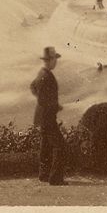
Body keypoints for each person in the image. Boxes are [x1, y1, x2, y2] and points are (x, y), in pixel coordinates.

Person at [30, 46, 66, 185]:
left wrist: (44, 101)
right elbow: (43, 99)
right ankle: (55, 179)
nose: (56, 62)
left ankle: (43, 175)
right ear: (49, 60)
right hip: (48, 117)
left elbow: (32, 86)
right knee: (60, 146)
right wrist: (55, 106)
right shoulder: (46, 76)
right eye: (55, 59)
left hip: (42, 116)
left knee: (45, 146)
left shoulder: (41, 73)